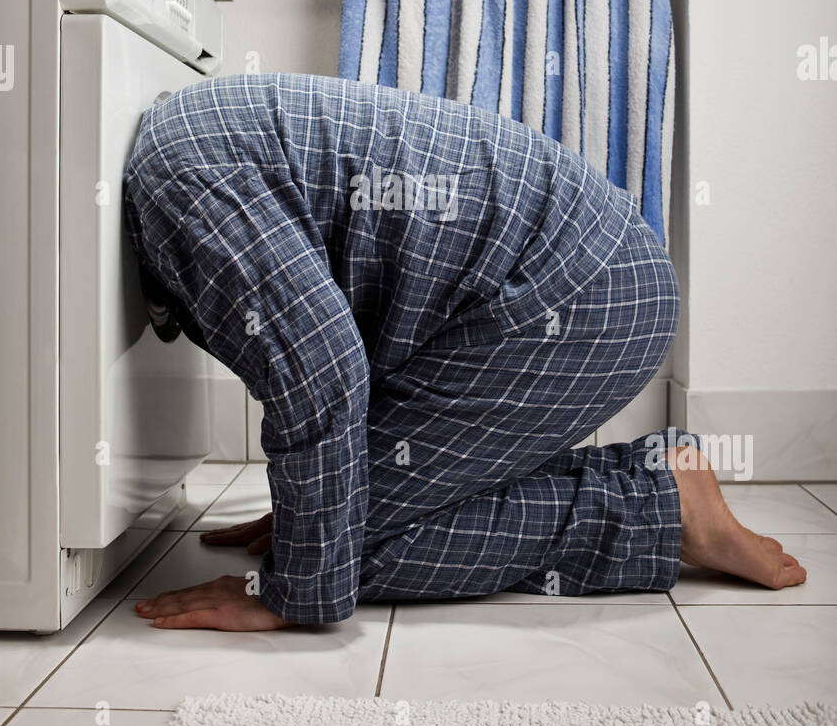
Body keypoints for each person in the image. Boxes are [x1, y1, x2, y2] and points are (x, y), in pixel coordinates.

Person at [124, 73, 806, 632]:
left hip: (579, 293)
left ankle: (655, 505)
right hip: (572, 266)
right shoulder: (181, 139)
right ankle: (660, 479)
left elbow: (321, 368)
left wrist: (293, 587)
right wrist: (326, 501)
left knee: (350, 549)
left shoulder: (178, 189)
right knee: (334, 521)